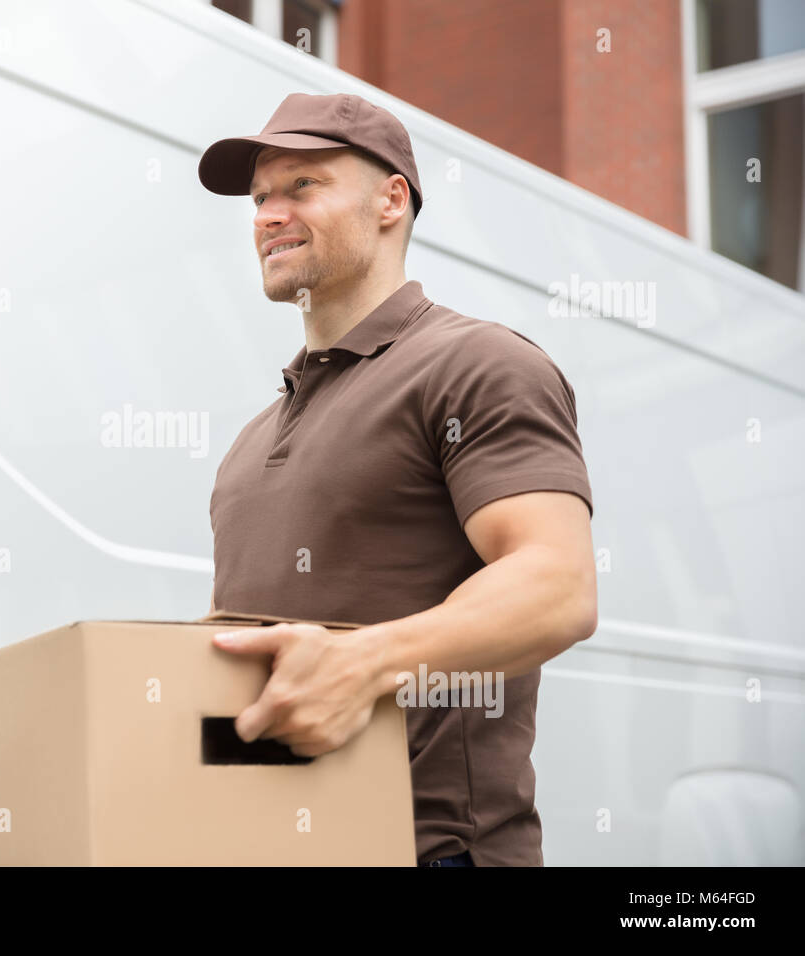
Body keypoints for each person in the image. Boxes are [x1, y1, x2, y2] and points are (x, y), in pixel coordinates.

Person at [198, 92, 597, 867]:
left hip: (429, 849)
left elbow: (558, 585)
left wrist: (362, 666)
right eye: (258, 198)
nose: (267, 214)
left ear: (391, 199)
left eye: (301, 186)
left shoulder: (476, 365)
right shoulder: (250, 441)